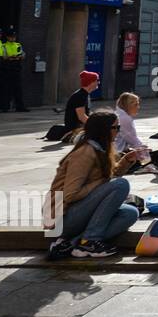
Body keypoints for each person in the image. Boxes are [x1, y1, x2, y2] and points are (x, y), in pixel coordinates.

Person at [45, 109, 139, 260]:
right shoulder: (85, 153)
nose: (118, 132)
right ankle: (90, 240)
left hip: (76, 213)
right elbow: (71, 194)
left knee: (130, 213)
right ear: (103, 130)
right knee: (121, 185)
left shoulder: (99, 149)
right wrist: (103, 182)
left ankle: (72, 243)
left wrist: (126, 161)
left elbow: (104, 179)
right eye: (115, 128)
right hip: (61, 218)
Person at [113, 93, 151, 170]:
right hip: (117, 153)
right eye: (135, 105)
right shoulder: (124, 118)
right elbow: (134, 141)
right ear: (128, 105)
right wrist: (146, 158)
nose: (138, 107)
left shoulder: (119, 114)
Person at [0, 27, 28, 112]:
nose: (13, 38)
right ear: (7, 37)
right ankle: (3, 107)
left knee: (18, 88)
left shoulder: (18, 45)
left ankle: (20, 106)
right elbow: (4, 56)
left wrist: (18, 57)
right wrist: (12, 57)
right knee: (5, 88)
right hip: (6, 69)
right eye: (11, 36)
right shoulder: (3, 45)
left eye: (14, 36)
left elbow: (23, 55)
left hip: (16, 68)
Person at [62, 71, 98, 142]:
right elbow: (81, 117)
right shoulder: (80, 96)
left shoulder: (85, 94)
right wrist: (95, 125)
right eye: (97, 80)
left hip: (80, 126)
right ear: (91, 82)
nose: (98, 83)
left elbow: (86, 114)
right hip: (75, 128)